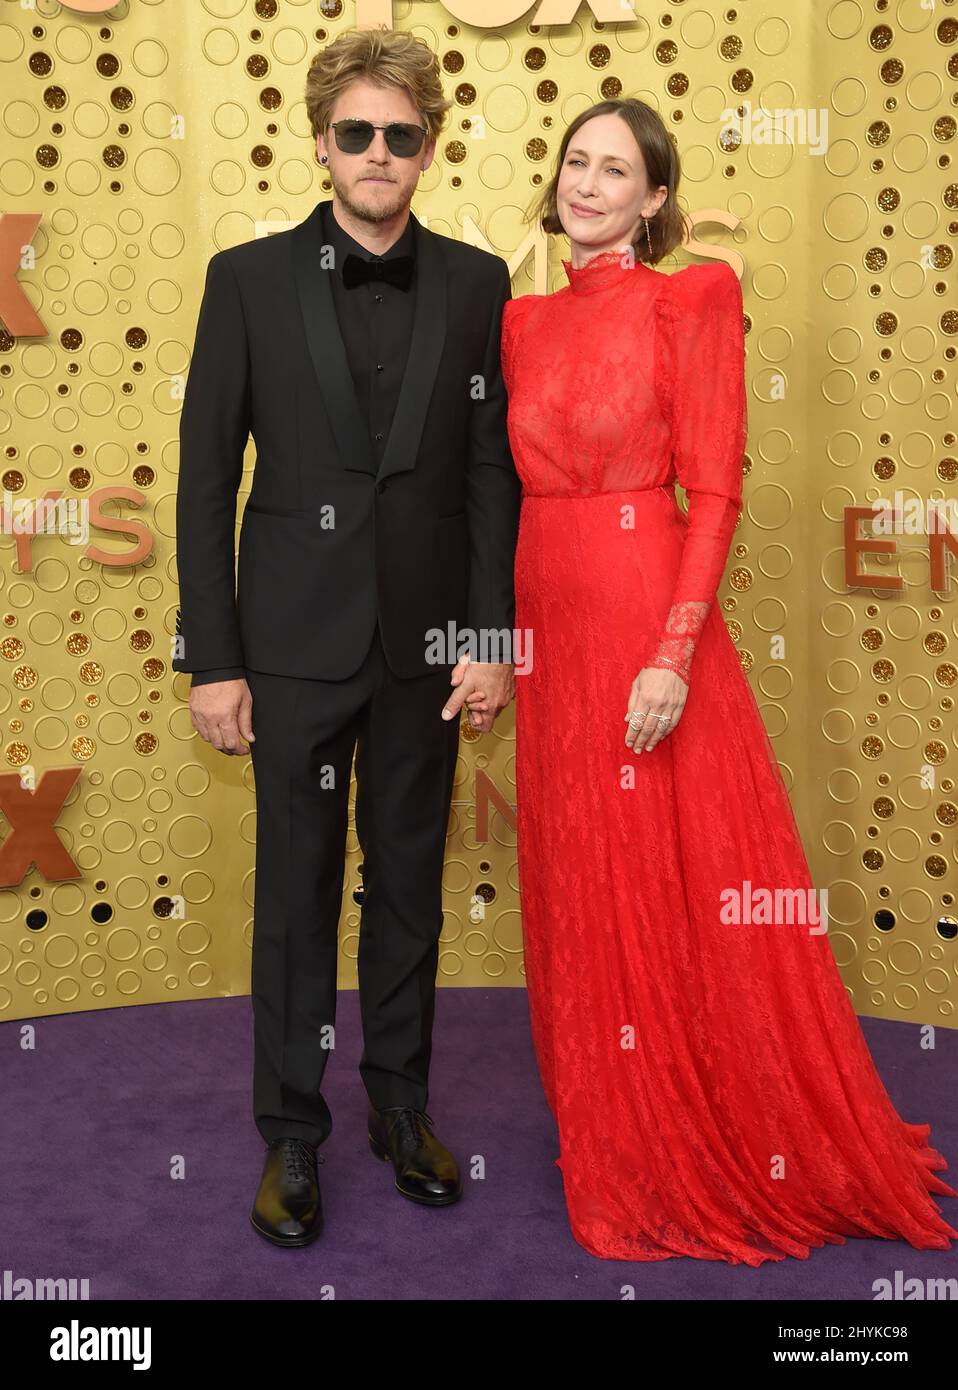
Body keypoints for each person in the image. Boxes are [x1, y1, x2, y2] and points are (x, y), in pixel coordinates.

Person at [489, 96, 958, 1264]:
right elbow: (497, 501)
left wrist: (672, 648)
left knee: (682, 875)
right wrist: (492, 642)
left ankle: (716, 1126)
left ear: (656, 199)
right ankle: (616, 1128)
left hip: (646, 608)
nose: (588, 183)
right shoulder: (516, 320)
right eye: (575, 162)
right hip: (550, 612)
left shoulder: (693, 296)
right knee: (589, 879)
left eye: (617, 170)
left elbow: (718, 487)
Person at [172, 28, 520, 1247]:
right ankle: (290, 1131)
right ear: (322, 141)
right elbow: (205, 475)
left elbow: (491, 480)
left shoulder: (480, 285)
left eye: (402, 134)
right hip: (288, 651)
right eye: (358, 133)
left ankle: (401, 1106)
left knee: (411, 892)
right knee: (294, 898)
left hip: (427, 658)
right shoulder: (246, 278)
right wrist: (211, 658)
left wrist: (490, 641)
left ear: (429, 146)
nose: (379, 153)